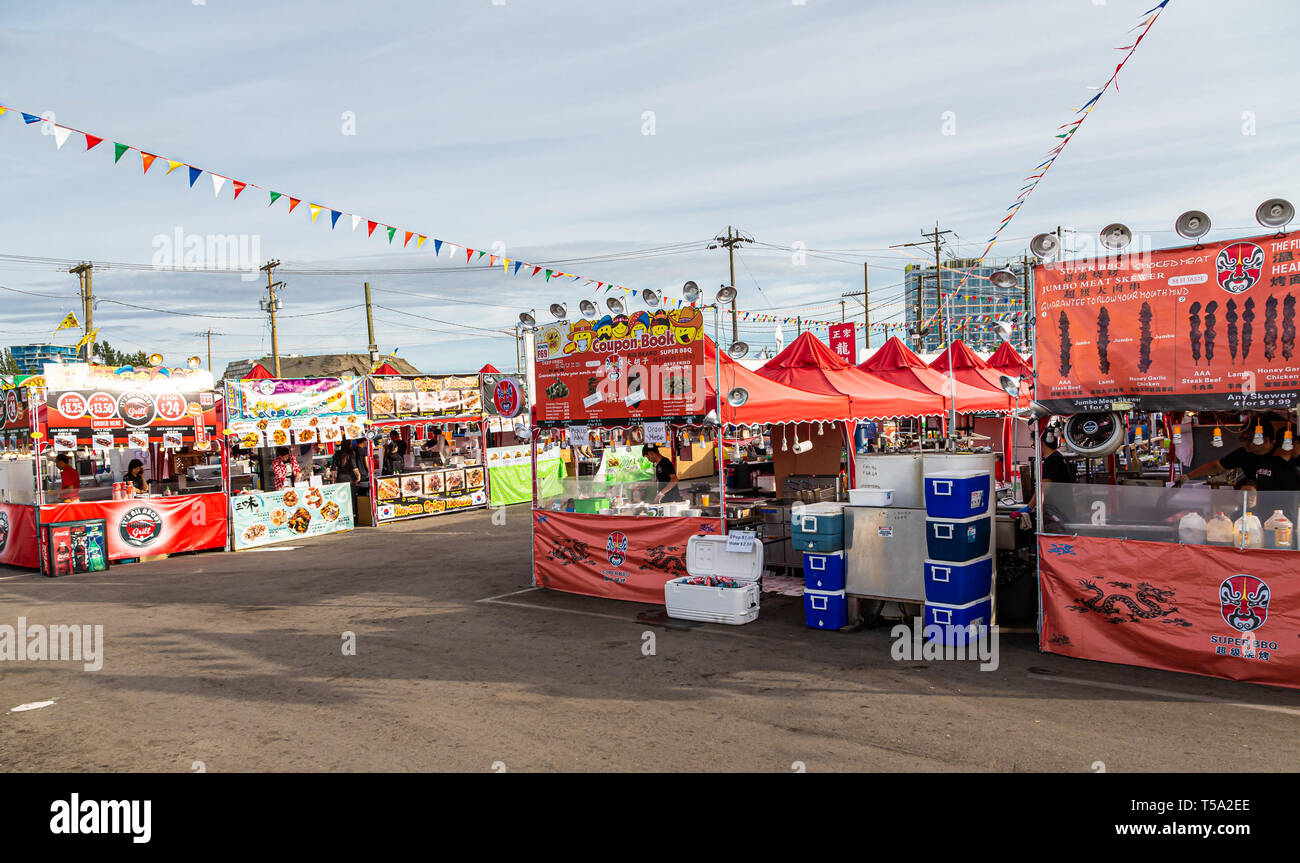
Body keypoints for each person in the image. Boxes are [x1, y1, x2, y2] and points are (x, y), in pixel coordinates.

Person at [1176, 422, 1300, 491]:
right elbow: (1217, 466)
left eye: (1249, 439)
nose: (1244, 443)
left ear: (1266, 440)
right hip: (1255, 500)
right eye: (1242, 439)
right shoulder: (1244, 454)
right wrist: (1188, 476)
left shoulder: (1286, 455)